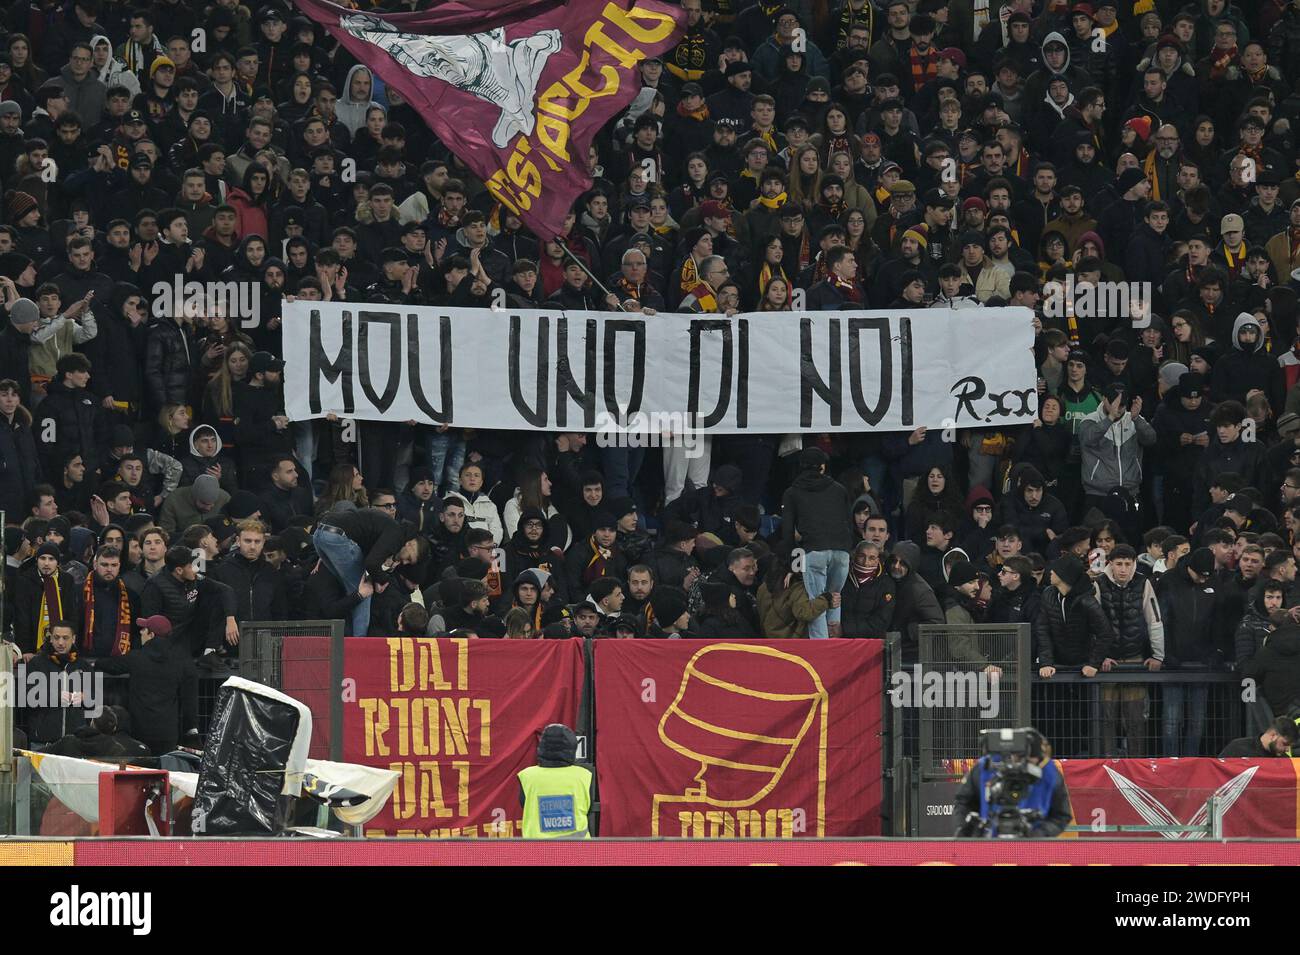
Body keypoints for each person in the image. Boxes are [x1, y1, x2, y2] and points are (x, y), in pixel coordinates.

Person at [91, 614, 199, 756]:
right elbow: (189, 700)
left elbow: (113, 665)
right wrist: (191, 729)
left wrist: (96, 663)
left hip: (140, 731)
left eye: (144, 629)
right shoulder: (180, 662)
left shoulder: (137, 658)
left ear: (151, 634)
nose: (141, 632)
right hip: (168, 733)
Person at [778, 447, 853, 637]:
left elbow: (787, 533)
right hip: (841, 552)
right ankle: (836, 647)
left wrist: (790, 564)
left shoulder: (792, 492)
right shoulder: (839, 489)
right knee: (835, 597)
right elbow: (848, 523)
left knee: (817, 605)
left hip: (815, 551)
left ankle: (822, 655)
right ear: (822, 467)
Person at [953, 727, 1073, 837]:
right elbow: (962, 801)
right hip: (988, 842)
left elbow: (1062, 815)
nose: (1029, 767)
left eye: (1034, 763)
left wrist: (1038, 834)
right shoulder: (986, 766)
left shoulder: (1050, 773)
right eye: (1024, 761)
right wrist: (969, 829)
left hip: (1034, 846)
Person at [517, 723, 593, 839]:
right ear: (572, 749)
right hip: (578, 851)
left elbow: (523, 804)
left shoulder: (527, 776)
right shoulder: (584, 776)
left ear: (542, 748)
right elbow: (589, 808)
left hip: (537, 853)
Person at [1219, 717, 1298, 758]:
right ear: (1273, 735)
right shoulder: (1237, 748)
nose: (1288, 749)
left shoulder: (1285, 761)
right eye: (1285, 743)